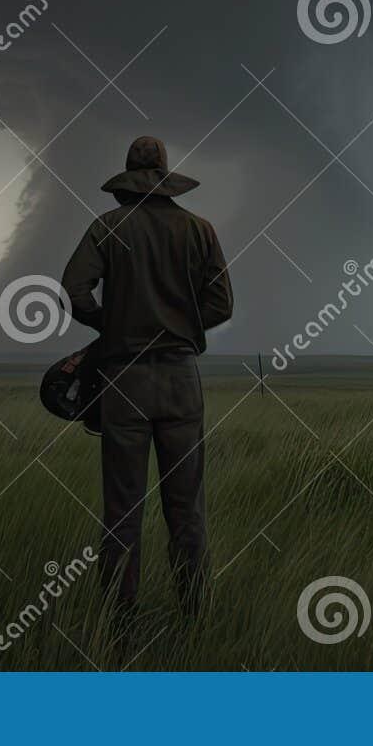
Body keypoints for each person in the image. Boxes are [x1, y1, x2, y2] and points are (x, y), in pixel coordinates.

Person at [61, 136, 233, 617]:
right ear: (165, 177)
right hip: (181, 381)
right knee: (187, 511)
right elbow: (221, 304)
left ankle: (119, 629)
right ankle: (195, 620)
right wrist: (181, 326)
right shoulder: (199, 229)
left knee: (122, 513)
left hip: (124, 381)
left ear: (128, 181)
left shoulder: (107, 227)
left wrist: (113, 325)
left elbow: (74, 290)